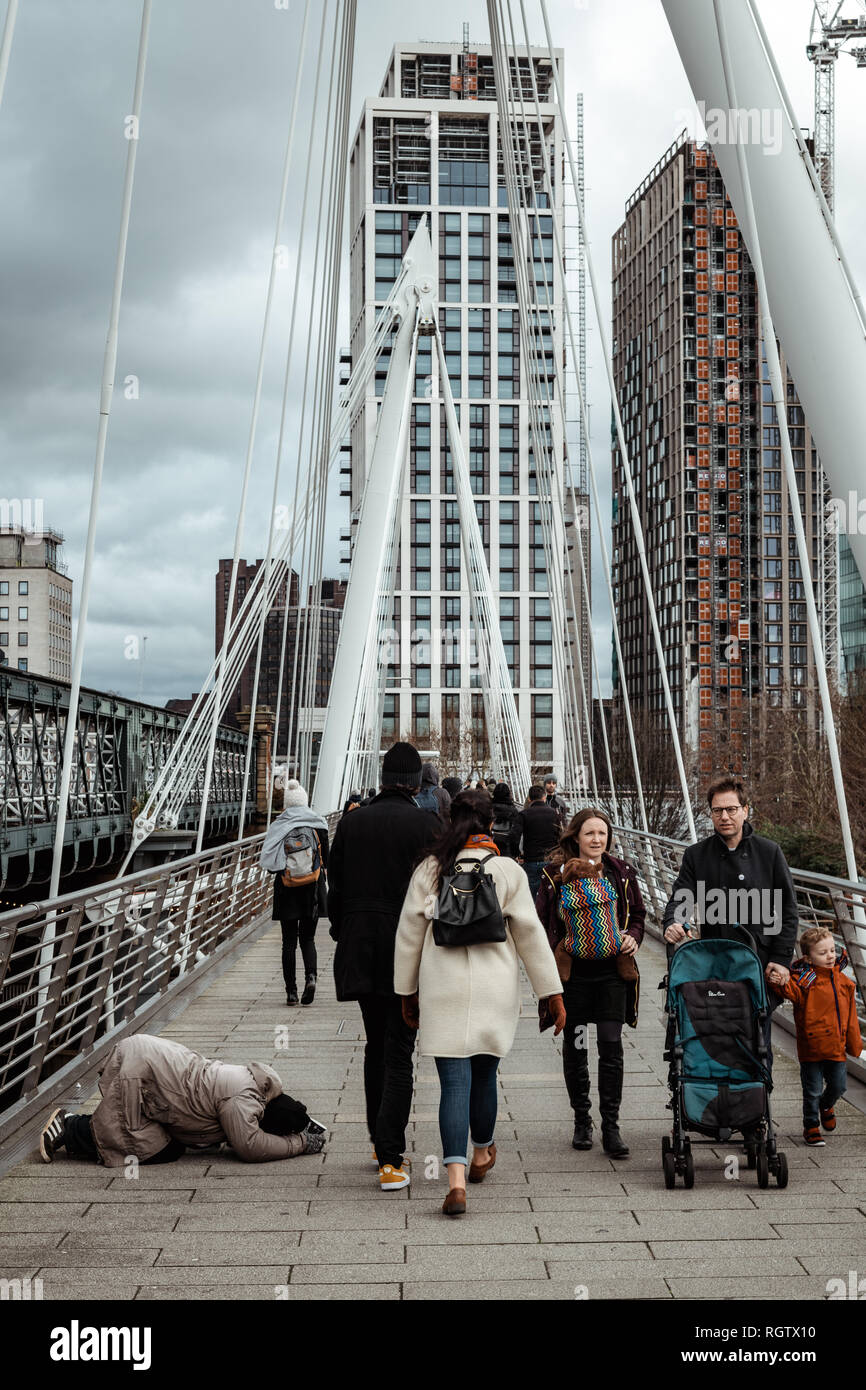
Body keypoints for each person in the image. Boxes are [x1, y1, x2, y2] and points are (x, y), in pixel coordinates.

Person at [394, 789, 565, 1216]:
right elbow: (530, 935)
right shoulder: (507, 870)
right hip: (493, 987)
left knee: (453, 1084)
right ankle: (483, 1151)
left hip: (442, 986)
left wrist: (406, 991)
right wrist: (551, 992)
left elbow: (409, 936)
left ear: (451, 822)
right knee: (485, 1073)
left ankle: (454, 1182)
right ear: (492, 825)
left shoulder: (430, 870)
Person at [327, 741, 439, 1191]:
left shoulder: (351, 823)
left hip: (359, 947)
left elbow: (334, 887)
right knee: (399, 1050)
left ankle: (379, 1142)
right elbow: (435, 895)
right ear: (415, 783)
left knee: (376, 1044)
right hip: (405, 951)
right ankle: (391, 1158)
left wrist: (342, 930)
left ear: (382, 778)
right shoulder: (428, 825)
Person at [662, 777, 798, 1075]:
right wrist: (675, 922)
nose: (724, 816)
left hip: (759, 962)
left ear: (745, 811)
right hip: (715, 961)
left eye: (731, 809)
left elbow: (788, 910)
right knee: (715, 1035)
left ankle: (757, 1107)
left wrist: (781, 959)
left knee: (758, 1038)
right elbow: (682, 899)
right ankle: (719, 1104)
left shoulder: (769, 852)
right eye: (717, 810)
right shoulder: (697, 855)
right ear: (710, 814)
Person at [535, 808, 645, 1157]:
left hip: (612, 973)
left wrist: (634, 937)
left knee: (611, 1047)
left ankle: (611, 1126)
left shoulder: (621, 873)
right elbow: (540, 920)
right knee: (577, 1045)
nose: (597, 840)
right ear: (576, 837)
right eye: (590, 834)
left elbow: (639, 915)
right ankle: (582, 1120)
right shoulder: (555, 875)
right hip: (574, 978)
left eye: (602, 833)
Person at [38, 1034, 326, 1166]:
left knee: (168, 1145)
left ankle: (78, 1127)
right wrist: (298, 1144)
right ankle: (69, 1126)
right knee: (142, 1144)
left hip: (149, 1060)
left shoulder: (255, 1086)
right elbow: (250, 1146)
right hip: (141, 1070)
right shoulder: (243, 1101)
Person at [766, 926, 862, 1146]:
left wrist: (855, 1044)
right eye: (823, 953)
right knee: (812, 1090)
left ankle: (826, 1105)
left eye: (832, 951)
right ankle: (811, 1126)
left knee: (839, 1086)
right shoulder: (805, 982)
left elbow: (851, 1018)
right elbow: (788, 989)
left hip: (836, 1046)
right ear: (808, 958)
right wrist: (778, 979)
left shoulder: (844, 982)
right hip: (811, 1048)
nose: (830, 956)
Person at [261, 778, 329, 1006]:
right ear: (305, 801)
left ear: (287, 804)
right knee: (308, 938)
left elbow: (270, 864)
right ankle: (311, 977)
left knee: (288, 941)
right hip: (312, 890)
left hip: (287, 890)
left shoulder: (278, 826)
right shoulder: (318, 824)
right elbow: (326, 860)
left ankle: (291, 992)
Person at [519, 784, 561, 899]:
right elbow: (560, 835)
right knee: (550, 894)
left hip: (530, 860)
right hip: (550, 860)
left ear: (529, 799)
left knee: (531, 896)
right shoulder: (555, 814)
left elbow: (515, 836)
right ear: (544, 797)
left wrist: (517, 854)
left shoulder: (523, 814)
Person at [490, 782, 521, 858]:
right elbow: (516, 834)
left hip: (490, 847)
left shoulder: (488, 809)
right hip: (507, 849)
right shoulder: (514, 811)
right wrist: (516, 853)